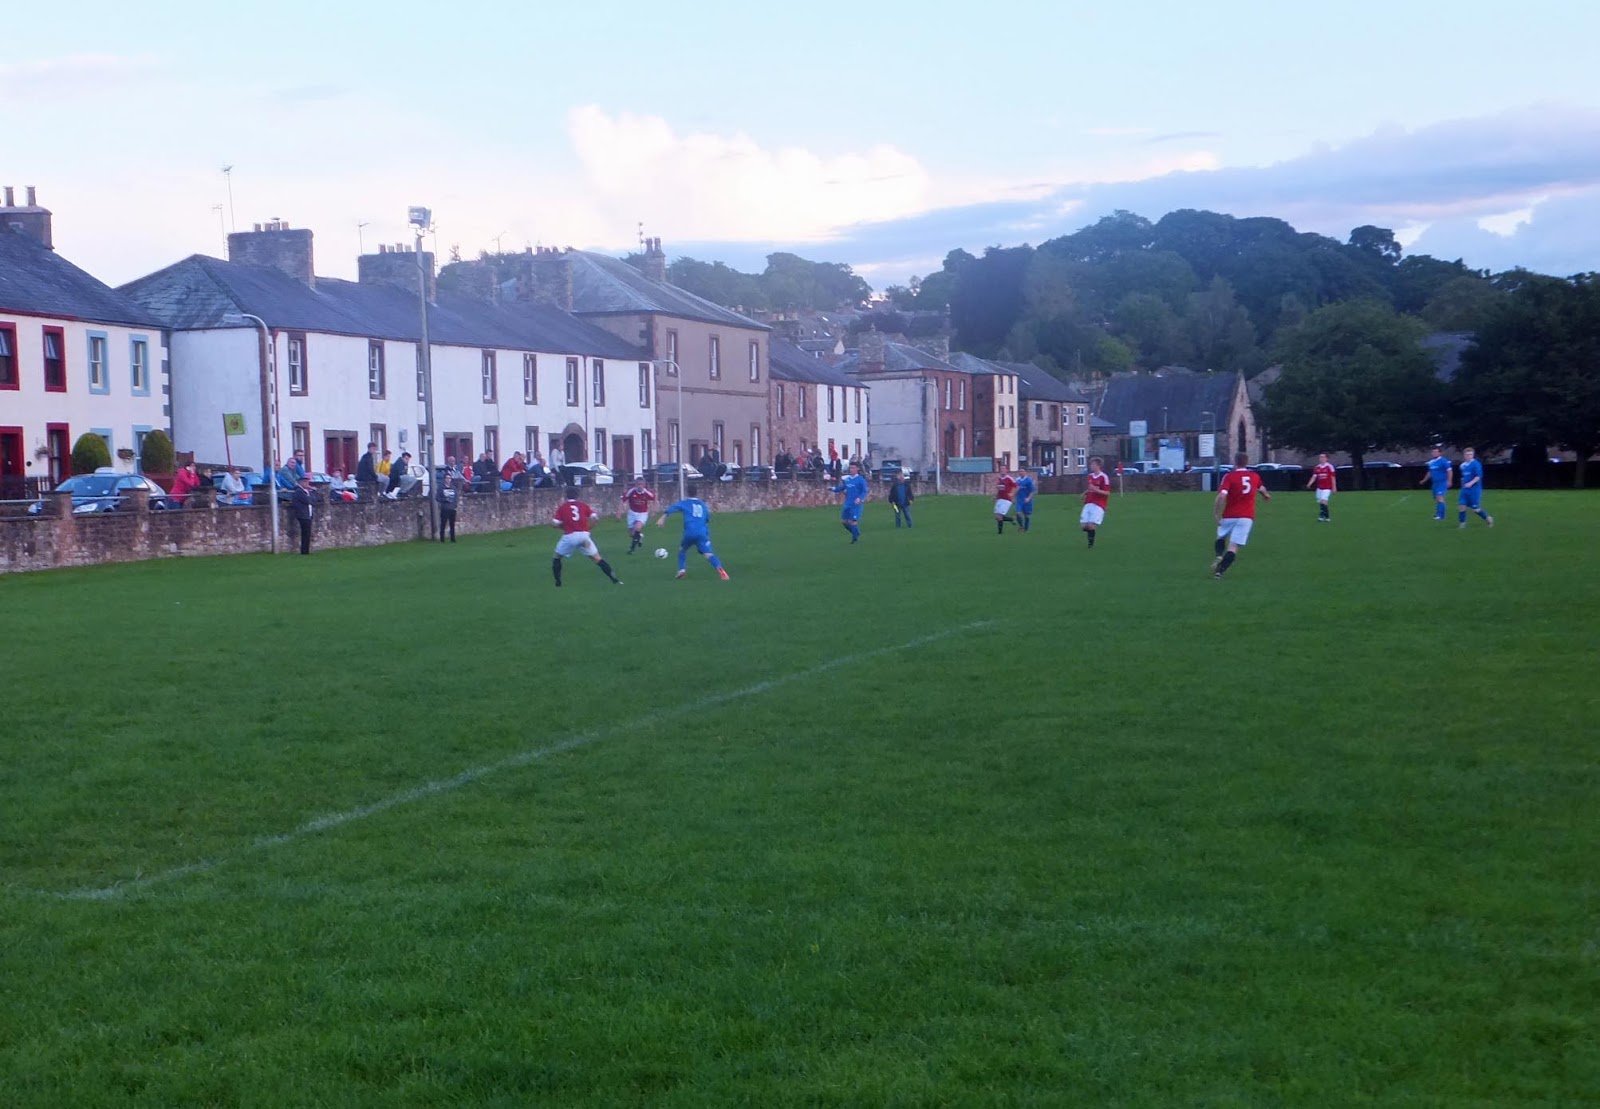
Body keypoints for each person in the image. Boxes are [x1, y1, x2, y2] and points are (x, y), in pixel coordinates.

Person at [1213, 451, 1271, 579]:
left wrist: (1216, 512)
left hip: (1229, 515)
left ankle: (1218, 555)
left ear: (1235, 462)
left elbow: (1222, 495)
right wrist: (1266, 495)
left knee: (1221, 537)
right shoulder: (1254, 476)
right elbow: (1261, 488)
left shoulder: (1229, 477)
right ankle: (1220, 571)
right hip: (1246, 517)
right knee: (1233, 547)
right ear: (1247, 462)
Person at [550, 490, 622, 587]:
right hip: (584, 536)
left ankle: (558, 582)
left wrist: (562, 527)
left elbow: (554, 523)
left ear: (566, 496)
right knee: (597, 558)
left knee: (557, 557)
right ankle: (614, 579)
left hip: (570, 536)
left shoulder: (563, 507)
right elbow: (595, 518)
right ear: (577, 496)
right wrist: (588, 529)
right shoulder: (583, 505)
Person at [656, 495, 729, 580]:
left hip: (689, 532)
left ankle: (682, 570)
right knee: (709, 554)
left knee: (682, 551)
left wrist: (663, 517)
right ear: (697, 494)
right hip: (702, 533)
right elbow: (707, 520)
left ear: (687, 494)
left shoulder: (686, 503)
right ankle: (720, 569)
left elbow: (674, 507)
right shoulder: (703, 505)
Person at [830, 461, 868, 543]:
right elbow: (842, 488)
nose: (851, 469)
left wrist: (859, 498)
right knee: (844, 522)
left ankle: (855, 539)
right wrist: (833, 489)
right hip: (848, 503)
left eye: (853, 468)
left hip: (856, 504)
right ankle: (856, 533)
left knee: (853, 522)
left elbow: (864, 491)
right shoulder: (848, 480)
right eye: (850, 468)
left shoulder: (861, 480)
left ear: (857, 469)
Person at [1457, 447, 1494, 528]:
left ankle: (1488, 518)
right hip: (1465, 489)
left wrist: (1471, 483)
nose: (1469, 456)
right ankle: (1462, 524)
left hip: (1474, 490)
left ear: (1473, 455)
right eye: (1467, 455)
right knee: (1461, 506)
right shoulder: (1462, 465)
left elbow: (1478, 476)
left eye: (1471, 454)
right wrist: (1462, 485)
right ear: (1464, 455)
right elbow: (1463, 477)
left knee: (1475, 509)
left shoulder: (1476, 464)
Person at [621, 477, 657, 553]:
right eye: (638, 484)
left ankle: (632, 548)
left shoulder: (647, 493)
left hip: (642, 513)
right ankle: (640, 536)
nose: (640, 486)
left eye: (641, 484)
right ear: (635, 484)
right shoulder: (631, 491)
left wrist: (654, 510)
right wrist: (619, 512)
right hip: (632, 513)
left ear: (644, 485)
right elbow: (623, 500)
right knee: (631, 534)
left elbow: (654, 499)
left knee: (637, 527)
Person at [1081, 456, 1111, 547]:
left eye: (1093, 464)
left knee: (1090, 525)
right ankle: (1091, 530)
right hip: (1088, 502)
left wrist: (1095, 490)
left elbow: (1107, 493)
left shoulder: (1103, 477)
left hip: (1099, 504)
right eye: (1091, 464)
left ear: (1098, 466)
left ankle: (1090, 544)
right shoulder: (1090, 476)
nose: (1091, 466)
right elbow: (1090, 488)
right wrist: (1084, 493)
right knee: (1084, 526)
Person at [1420, 446, 1453, 521]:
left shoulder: (1444, 461)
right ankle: (1442, 516)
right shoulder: (1431, 462)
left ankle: (1439, 515)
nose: (1434, 453)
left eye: (1436, 452)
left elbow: (1449, 471)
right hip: (1435, 483)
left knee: (1440, 497)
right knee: (1438, 499)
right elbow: (1430, 472)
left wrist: (1449, 481)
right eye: (1433, 452)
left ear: (1439, 453)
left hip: (1442, 482)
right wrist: (1424, 480)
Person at [1306, 452, 1337, 522]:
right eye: (1320, 457)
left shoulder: (1329, 466)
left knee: (1323, 500)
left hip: (1327, 487)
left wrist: (1334, 487)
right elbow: (1314, 477)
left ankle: (1321, 516)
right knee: (1321, 502)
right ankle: (1326, 517)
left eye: (1323, 457)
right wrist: (1309, 484)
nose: (1322, 459)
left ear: (1326, 458)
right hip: (1319, 487)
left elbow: (1333, 477)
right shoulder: (1317, 467)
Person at [290, 472, 315, 555]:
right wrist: (311, 495)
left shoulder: (306, 491)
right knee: (305, 533)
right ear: (300, 482)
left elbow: (315, 499)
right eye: (305, 482)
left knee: (307, 533)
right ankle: (304, 551)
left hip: (308, 514)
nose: (307, 484)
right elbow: (308, 501)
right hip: (303, 515)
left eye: (307, 482)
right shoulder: (299, 491)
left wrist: (311, 494)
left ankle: (306, 550)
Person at [436, 461, 460, 542]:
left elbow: (456, 497)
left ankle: (452, 539)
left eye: (449, 478)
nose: (448, 480)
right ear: (444, 479)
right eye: (447, 478)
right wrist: (444, 500)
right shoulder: (441, 488)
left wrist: (455, 505)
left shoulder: (453, 488)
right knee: (443, 524)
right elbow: (437, 498)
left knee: (452, 524)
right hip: (444, 508)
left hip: (452, 509)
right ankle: (442, 539)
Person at [994, 469, 1020, 534]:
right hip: (999, 499)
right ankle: (1012, 519)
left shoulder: (1009, 478)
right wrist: (995, 496)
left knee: (1000, 516)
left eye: (1003, 469)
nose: (1002, 471)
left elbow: (1017, 486)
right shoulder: (999, 479)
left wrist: (1012, 494)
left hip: (1006, 499)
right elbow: (999, 489)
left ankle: (1000, 533)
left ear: (1006, 471)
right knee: (997, 517)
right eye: (1001, 469)